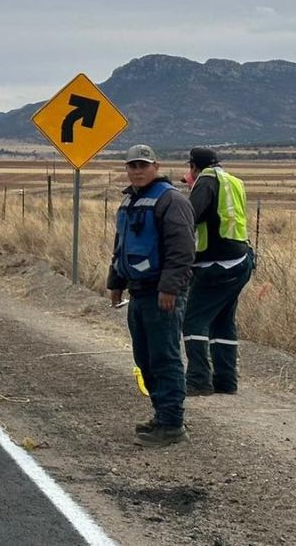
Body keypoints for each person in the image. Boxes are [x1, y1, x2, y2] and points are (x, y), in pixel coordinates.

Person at [107, 145, 196, 447]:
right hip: (139, 292)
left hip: (163, 294)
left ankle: (172, 424)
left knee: (164, 357)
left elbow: (182, 249)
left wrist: (170, 288)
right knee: (144, 358)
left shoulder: (171, 201)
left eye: (143, 165)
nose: (137, 170)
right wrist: (115, 281)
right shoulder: (130, 202)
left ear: (155, 166)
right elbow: (121, 246)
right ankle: (162, 415)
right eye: (132, 165)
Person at [183, 147, 254, 395]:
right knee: (223, 323)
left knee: (193, 321)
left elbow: (189, 217)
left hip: (215, 264)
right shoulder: (234, 181)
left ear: (194, 166)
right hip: (240, 260)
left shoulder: (206, 181)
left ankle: (198, 380)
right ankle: (225, 381)